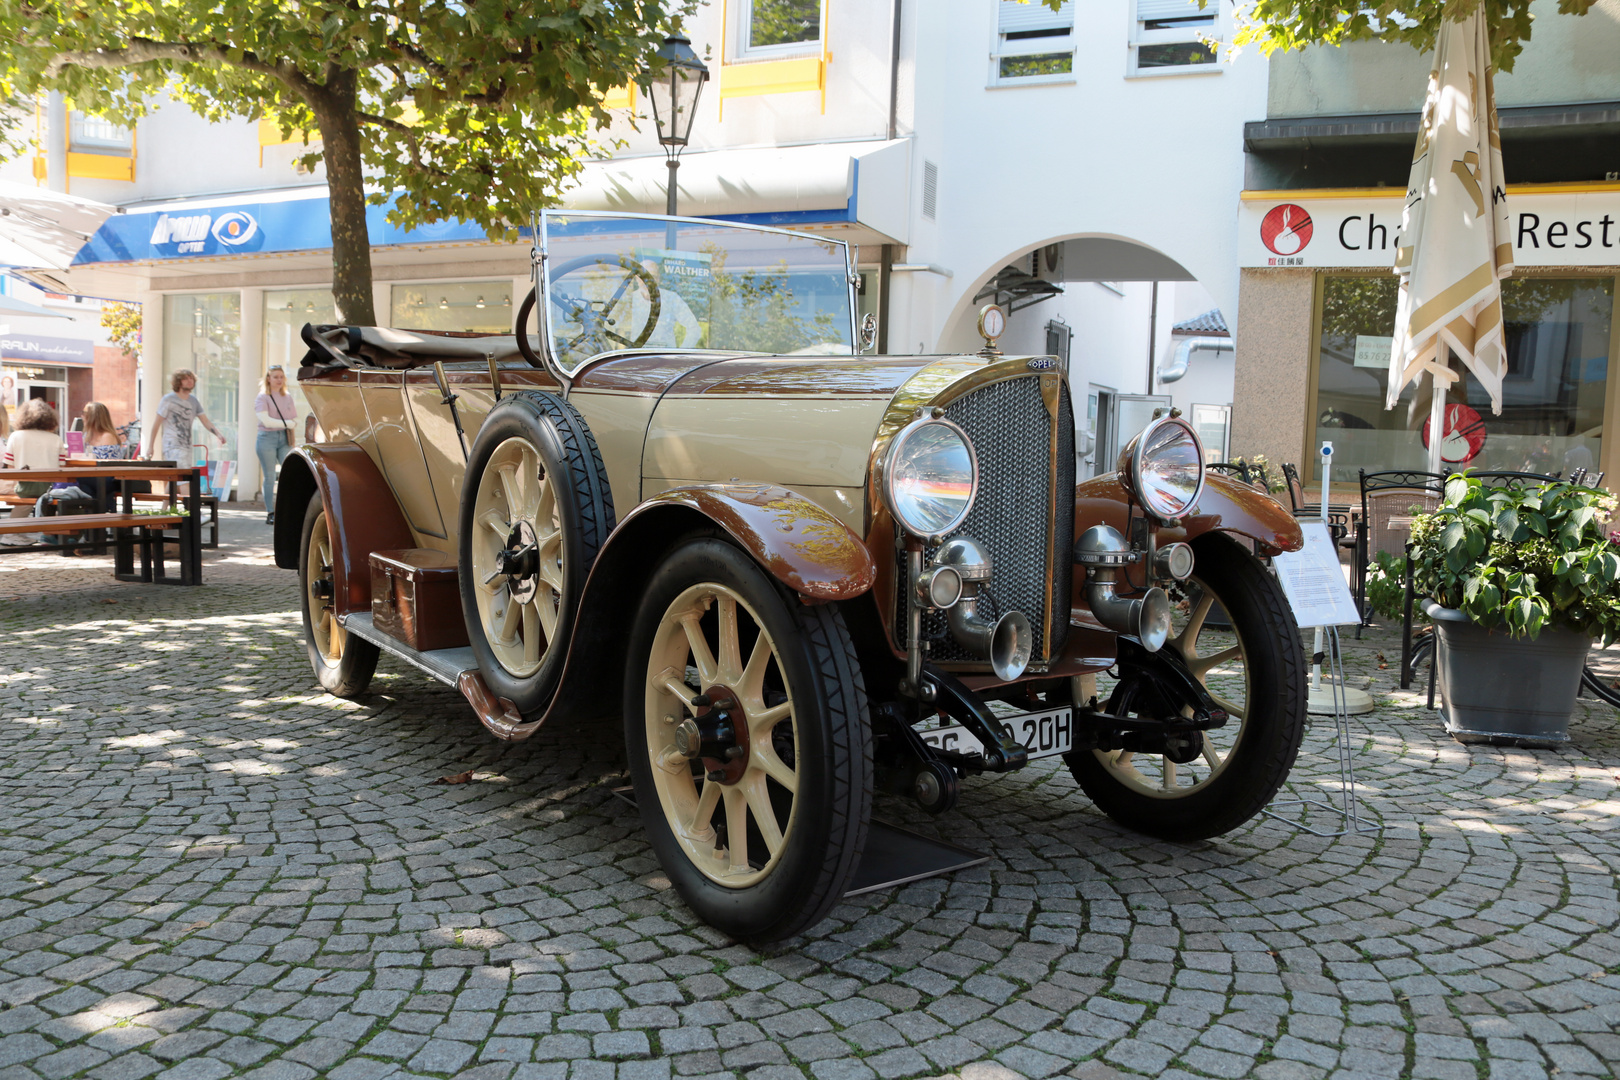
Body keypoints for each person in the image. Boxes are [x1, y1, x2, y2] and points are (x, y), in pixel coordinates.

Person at [2, 399, 67, 546]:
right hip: (49, 488)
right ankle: (50, 533)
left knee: (23, 495)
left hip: (24, 487)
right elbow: (61, 466)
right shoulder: (56, 439)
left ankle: (11, 533)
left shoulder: (16, 436)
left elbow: (10, 466)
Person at [147, 369, 225, 463]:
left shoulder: (193, 401)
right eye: (186, 379)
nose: (189, 381)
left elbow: (205, 421)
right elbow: (156, 424)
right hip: (172, 446)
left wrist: (218, 434)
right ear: (178, 382)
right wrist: (150, 447)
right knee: (178, 473)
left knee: (185, 475)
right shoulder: (168, 400)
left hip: (187, 446)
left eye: (191, 378)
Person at [255, 366, 297, 524]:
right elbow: (266, 421)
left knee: (289, 474)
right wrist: (287, 423)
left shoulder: (287, 396)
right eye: (275, 377)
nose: (279, 380)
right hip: (267, 437)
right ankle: (270, 512)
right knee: (270, 476)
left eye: (281, 377)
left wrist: (288, 424)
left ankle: (287, 512)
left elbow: (295, 420)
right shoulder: (262, 397)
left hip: (284, 438)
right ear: (268, 379)